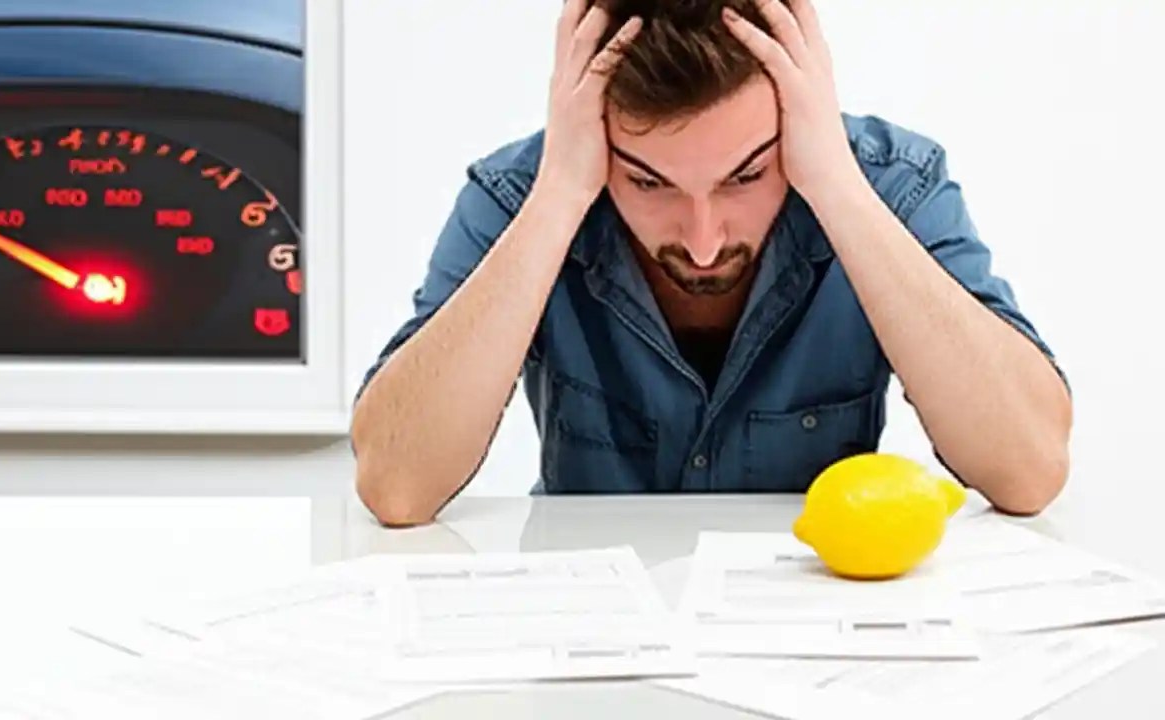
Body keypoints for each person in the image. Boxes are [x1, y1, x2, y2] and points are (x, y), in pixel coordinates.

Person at [350, 0, 1072, 527]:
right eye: (648, 182)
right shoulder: (524, 195)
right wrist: (561, 194)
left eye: (746, 176)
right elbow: (397, 485)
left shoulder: (890, 184)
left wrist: (834, 183)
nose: (701, 242)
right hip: (593, 653)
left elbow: (1029, 468)